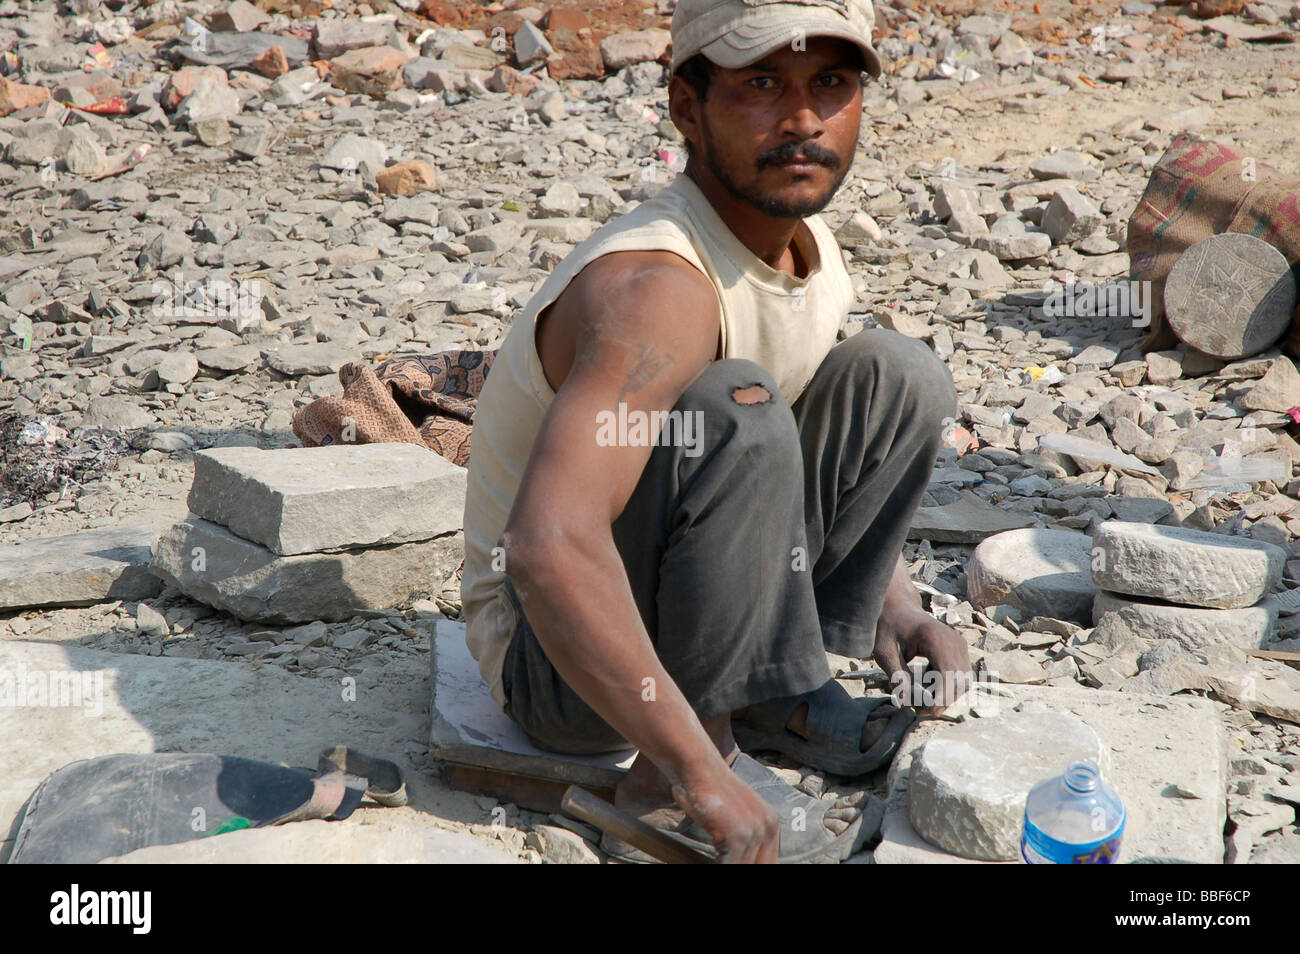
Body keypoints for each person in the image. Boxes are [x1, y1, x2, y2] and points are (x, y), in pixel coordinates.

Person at [460, 0, 972, 864]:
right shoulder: (659, 284)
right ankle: (678, 763)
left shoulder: (804, 240)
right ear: (687, 108)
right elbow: (548, 547)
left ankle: (777, 691)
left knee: (894, 374)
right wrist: (698, 774)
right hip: (554, 667)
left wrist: (898, 609)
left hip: (684, 591)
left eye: (832, 85)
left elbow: (787, 474)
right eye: (762, 85)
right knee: (734, 406)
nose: (803, 119)